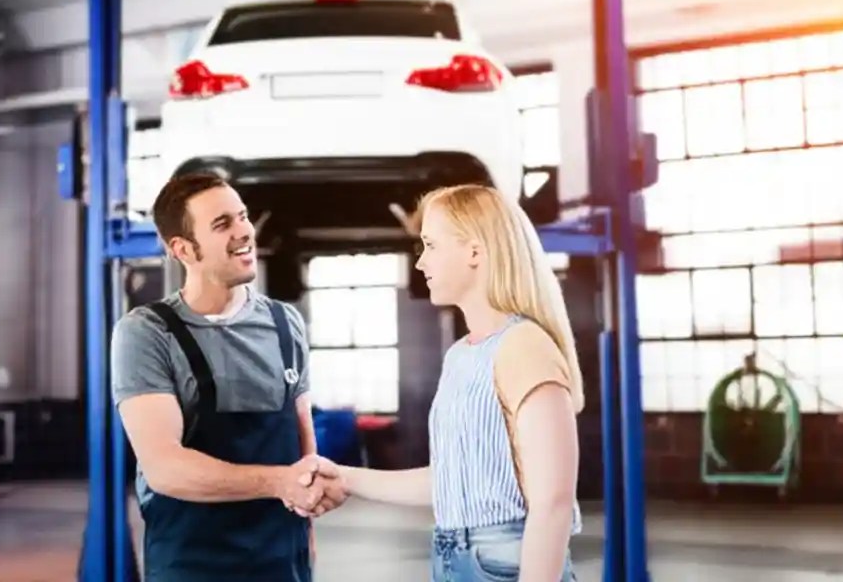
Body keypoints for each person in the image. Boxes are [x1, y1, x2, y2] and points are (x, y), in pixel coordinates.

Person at [302, 183, 584, 582]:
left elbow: (553, 504)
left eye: (431, 246)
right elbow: (451, 482)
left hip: (505, 561)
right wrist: (345, 477)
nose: (421, 264)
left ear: (474, 251)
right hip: (456, 556)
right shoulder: (461, 355)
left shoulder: (525, 347)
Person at [111, 171, 346, 582]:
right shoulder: (148, 332)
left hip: (282, 561)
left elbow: (301, 432)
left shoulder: (284, 321)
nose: (244, 232)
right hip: (193, 565)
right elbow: (165, 467)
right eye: (222, 224)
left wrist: (307, 521)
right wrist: (281, 483)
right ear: (183, 249)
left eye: (242, 216)